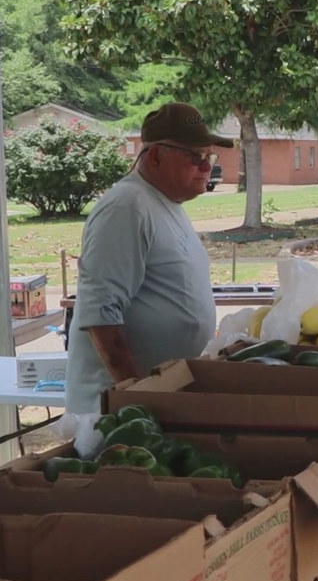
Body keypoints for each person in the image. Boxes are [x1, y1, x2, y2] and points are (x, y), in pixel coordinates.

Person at [64, 102, 232, 415]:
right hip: (118, 413)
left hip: (158, 400)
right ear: (155, 155)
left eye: (209, 156)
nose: (207, 167)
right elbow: (101, 314)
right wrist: (137, 397)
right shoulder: (126, 207)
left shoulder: (165, 202)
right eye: (196, 157)